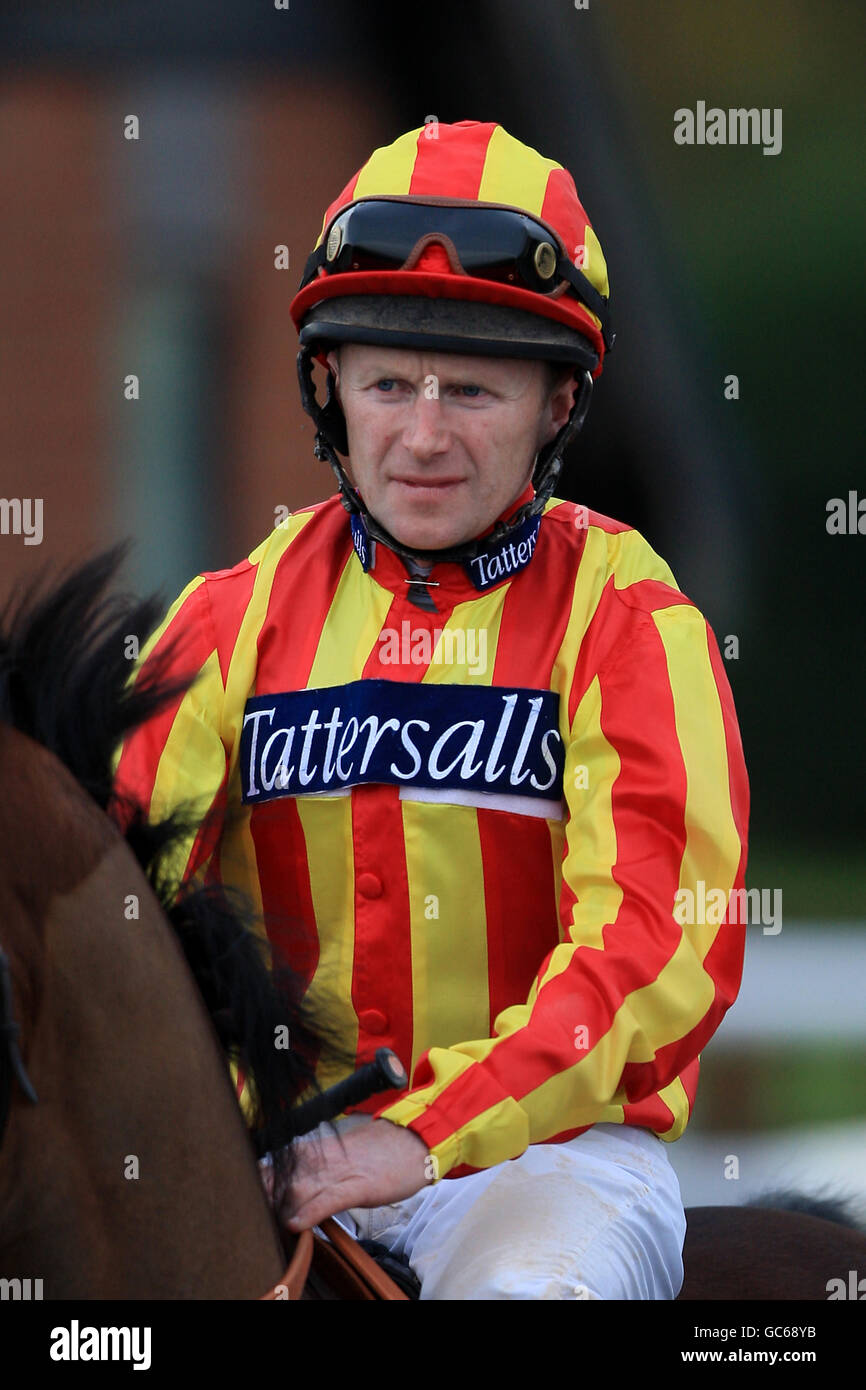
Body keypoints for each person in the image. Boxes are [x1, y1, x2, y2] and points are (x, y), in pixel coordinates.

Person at [114, 119, 749, 1300]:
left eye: (470, 390)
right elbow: (113, 899)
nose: (420, 435)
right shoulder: (223, 620)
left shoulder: (629, 617)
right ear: (330, 387)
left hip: (547, 1165)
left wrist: (418, 1130)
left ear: (558, 403)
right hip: (267, 1157)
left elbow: (658, 948)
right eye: (388, 382)